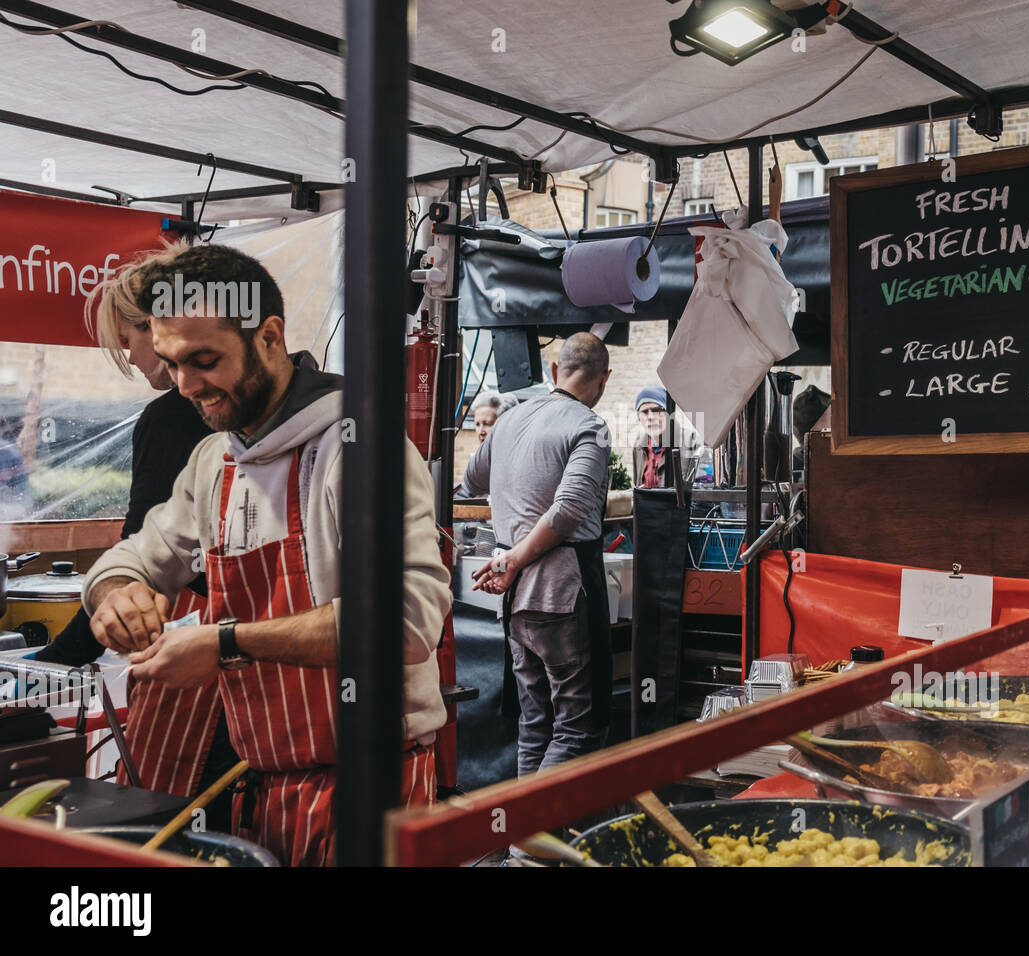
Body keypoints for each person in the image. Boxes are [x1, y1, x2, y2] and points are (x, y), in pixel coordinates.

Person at [81, 244, 451, 866]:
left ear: (271, 338)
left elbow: (407, 619)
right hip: (267, 788)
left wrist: (226, 645)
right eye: (172, 364)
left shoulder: (355, 450)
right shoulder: (214, 461)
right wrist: (117, 592)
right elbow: (139, 554)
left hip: (370, 788)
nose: (188, 386)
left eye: (205, 360)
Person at [34, 249, 238, 810]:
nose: (130, 355)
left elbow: (143, 561)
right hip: (260, 691)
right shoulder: (218, 433)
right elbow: (143, 556)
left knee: (186, 822)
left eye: (130, 338)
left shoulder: (177, 415)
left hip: (221, 689)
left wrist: (55, 660)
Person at [464, 332, 612, 776]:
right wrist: (515, 558)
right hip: (561, 593)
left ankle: (522, 841)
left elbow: (472, 477)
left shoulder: (510, 417)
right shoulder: (590, 425)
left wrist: (512, 555)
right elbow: (568, 509)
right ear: (604, 381)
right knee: (576, 730)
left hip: (514, 601)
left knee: (535, 724)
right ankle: (536, 842)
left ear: (553, 371)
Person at [631, 385, 705, 489]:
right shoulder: (639, 445)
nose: (651, 417)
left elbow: (702, 488)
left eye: (656, 410)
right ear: (639, 416)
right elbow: (637, 485)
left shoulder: (691, 440)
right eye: (644, 411)